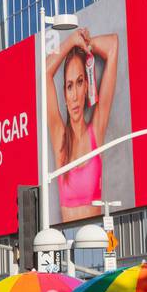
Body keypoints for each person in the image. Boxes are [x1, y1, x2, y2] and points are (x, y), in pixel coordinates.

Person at [47, 28, 119, 221]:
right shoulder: (59, 138)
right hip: (66, 246)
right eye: (69, 86)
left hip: (95, 240)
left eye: (79, 82)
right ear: (64, 94)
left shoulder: (96, 129)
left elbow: (113, 44)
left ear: (87, 86)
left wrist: (86, 45)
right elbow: (45, 72)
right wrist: (71, 41)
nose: (75, 95)